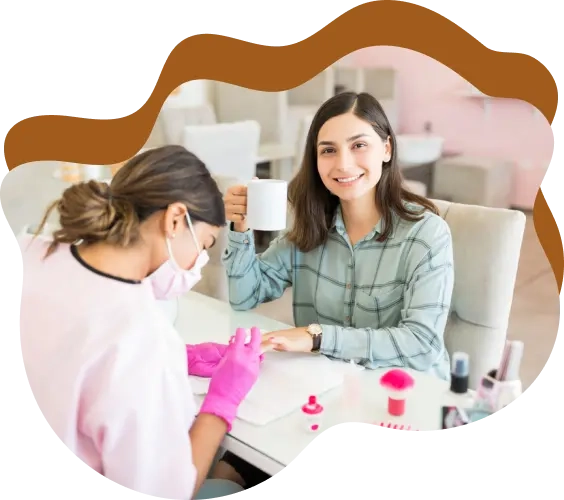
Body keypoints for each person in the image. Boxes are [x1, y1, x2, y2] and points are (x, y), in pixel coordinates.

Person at [16, 145, 264, 500]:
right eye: (205, 244)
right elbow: (167, 492)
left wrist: (180, 359)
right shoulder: (141, 336)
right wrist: (222, 401)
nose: (198, 260)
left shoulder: (27, 251)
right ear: (175, 219)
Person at [222, 91, 455, 381]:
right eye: (328, 150)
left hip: (409, 397)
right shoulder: (311, 225)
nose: (343, 164)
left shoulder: (426, 234)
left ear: (386, 149)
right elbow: (244, 296)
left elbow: (422, 345)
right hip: (333, 388)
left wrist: (316, 337)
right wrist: (240, 228)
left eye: (358, 145)